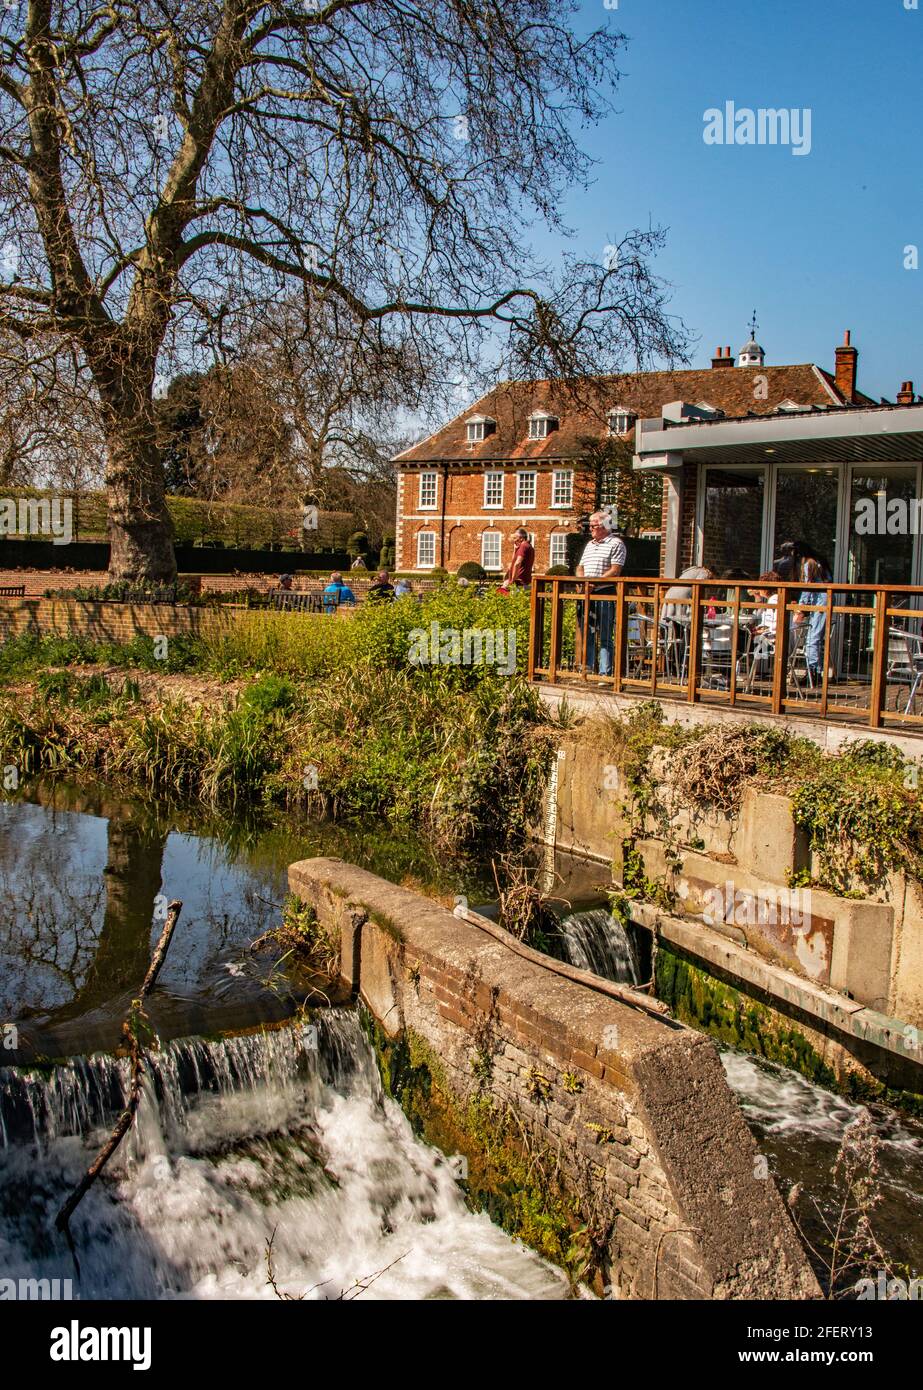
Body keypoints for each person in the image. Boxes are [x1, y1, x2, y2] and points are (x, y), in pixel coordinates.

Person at [576, 511, 627, 676]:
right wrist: (583, 581)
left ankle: (605, 674)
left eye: (593, 525)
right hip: (587, 594)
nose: (590, 528)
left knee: (605, 635)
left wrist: (595, 583)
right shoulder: (590, 544)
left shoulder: (616, 543)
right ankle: (588, 670)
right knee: (587, 633)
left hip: (605, 594)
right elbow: (580, 567)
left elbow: (615, 571)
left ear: (605, 526)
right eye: (589, 525)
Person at [792, 543, 831, 686]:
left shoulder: (810, 564)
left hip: (820, 604)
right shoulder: (820, 562)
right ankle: (814, 672)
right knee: (814, 638)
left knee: (812, 639)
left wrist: (800, 609)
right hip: (823, 603)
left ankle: (813, 673)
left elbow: (807, 587)